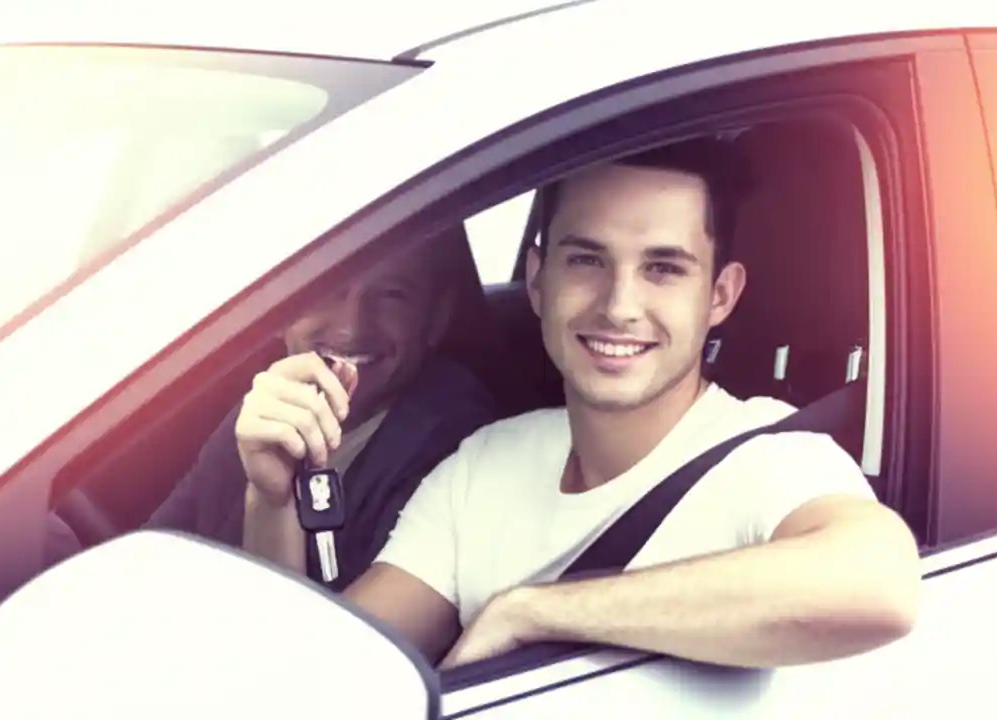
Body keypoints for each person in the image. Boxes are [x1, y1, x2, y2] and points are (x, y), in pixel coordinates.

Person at [313, 137, 922, 670]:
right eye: (586, 260)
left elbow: (880, 584)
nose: (619, 305)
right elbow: (332, 664)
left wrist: (533, 612)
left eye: (663, 268)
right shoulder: (486, 460)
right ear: (536, 278)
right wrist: (272, 494)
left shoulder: (771, 457)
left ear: (719, 295)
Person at [145, 227, 498, 590]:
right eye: (326, 290)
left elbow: (328, 632)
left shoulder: (453, 443)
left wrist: (272, 502)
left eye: (392, 296)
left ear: (435, 319)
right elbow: (149, 556)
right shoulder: (274, 403)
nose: (351, 328)